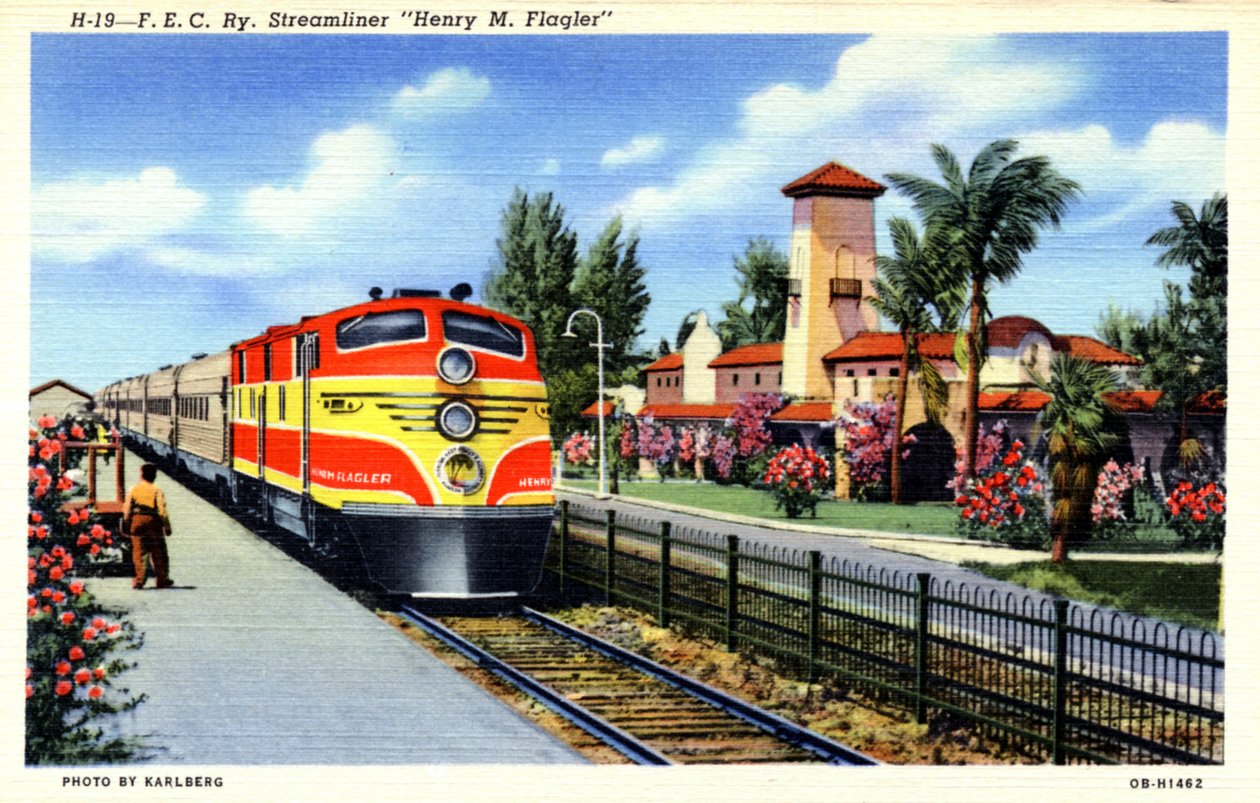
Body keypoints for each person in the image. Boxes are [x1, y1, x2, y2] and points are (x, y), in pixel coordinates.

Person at [124, 463, 173, 589]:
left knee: (139, 552)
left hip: (137, 520)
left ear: (141, 474)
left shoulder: (133, 489)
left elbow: (127, 509)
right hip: (153, 521)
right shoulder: (157, 490)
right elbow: (162, 511)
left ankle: (139, 580)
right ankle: (162, 579)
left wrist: (126, 522)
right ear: (154, 476)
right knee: (159, 551)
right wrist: (167, 526)